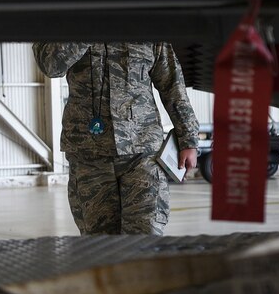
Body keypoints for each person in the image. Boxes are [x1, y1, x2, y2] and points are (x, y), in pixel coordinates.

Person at [33, 43, 200, 234]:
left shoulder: (148, 29)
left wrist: (189, 139)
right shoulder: (68, 22)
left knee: (145, 236)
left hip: (142, 152)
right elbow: (50, 66)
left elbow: (173, 86)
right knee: (99, 242)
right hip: (89, 155)